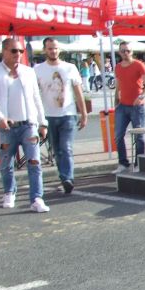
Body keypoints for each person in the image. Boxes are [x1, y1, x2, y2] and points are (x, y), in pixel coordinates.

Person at [0, 38, 49, 212]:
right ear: (4, 51)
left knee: (34, 162)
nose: (18, 54)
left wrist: (43, 122)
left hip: (28, 124)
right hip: (7, 126)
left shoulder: (28, 72)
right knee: (6, 162)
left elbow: (36, 98)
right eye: (14, 51)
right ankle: (9, 192)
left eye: (20, 51)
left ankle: (37, 198)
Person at [35, 37, 88, 195]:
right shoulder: (37, 69)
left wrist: (83, 113)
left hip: (68, 115)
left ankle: (68, 179)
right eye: (50, 48)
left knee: (66, 148)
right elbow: (33, 94)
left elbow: (78, 92)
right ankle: (63, 177)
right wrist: (38, 119)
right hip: (48, 116)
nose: (53, 51)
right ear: (45, 50)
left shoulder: (70, 68)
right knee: (57, 150)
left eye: (56, 48)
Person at [113, 42, 145, 172]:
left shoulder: (139, 65)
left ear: (132, 52)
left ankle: (139, 163)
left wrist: (141, 97)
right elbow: (118, 85)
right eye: (123, 51)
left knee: (139, 136)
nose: (125, 53)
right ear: (119, 52)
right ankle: (123, 163)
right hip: (122, 106)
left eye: (128, 51)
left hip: (137, 106)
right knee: (118, 135)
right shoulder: (118, 67)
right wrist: (116, 100)